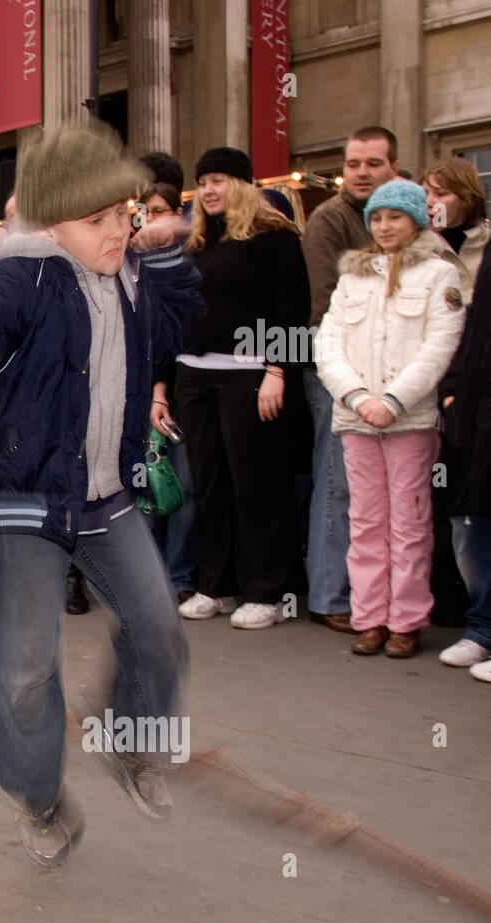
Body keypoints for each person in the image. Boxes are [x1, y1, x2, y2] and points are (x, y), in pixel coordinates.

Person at [0, 123, 202, 866]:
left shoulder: (129, 274)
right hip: (25, 496)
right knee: (28, 662)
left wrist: (167, 260)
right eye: (95, 220)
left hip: (104, 495)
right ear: (52, 221)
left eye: (123, 213)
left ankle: (130, 744)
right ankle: (37, 796)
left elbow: (178, 332)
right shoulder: (18, 276)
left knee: (159, 630)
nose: (117, 230)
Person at [315, 179, 465, 657]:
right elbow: (328, 344)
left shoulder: (440, 274)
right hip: (356, 418)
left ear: (416, 220)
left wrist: (395, 401)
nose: (384, 226)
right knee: (365, 520)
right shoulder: (353, 277)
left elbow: (440, 346)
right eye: (377, 218)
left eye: (395, 217)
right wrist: (359, 398)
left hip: (410, 419)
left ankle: (406, 619)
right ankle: (370, 617)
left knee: (410, 521)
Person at [165, 147, 310, 630]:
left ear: (244, 184)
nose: (207, 189)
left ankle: (267, 590)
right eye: (202, 181)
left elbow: (293, 309)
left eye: (219, 180)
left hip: (250, 374)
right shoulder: (197, 244)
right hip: (194, 374)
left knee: (257, 483)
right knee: (209, 484)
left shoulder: (274, 238)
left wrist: (278, 371)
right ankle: (216, 584)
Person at [301, 126, 401, 633]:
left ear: (393, 168)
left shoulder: (399, 219)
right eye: (354, 163)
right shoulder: (330, 219)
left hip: (391, 376)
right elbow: (323, 308)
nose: (361, 173)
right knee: (339, 483)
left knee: (378, 491)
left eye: (373, 163)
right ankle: (328, 595)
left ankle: (376, 598)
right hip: (338, 371)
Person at [137, 182, 199, 604]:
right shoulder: (129, 262)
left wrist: (161, 390)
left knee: (185, 485)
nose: (154, 218)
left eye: (163, 210)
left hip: (185, 383)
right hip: (143, 386)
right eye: (147, 211)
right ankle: (148, 574)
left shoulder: (189, 261)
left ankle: (180, 576)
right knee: (147, 481)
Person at [439, 249, 491, 680]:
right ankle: (482, 627)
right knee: (471, 522)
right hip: (475, 412)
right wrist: (454, 390)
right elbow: (472, 326)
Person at [423, 157, 489, 301]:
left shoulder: (487, 244)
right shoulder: (416, 248)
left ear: (466, 199)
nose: (429, 202)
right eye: (425, 193)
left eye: (440, 194)